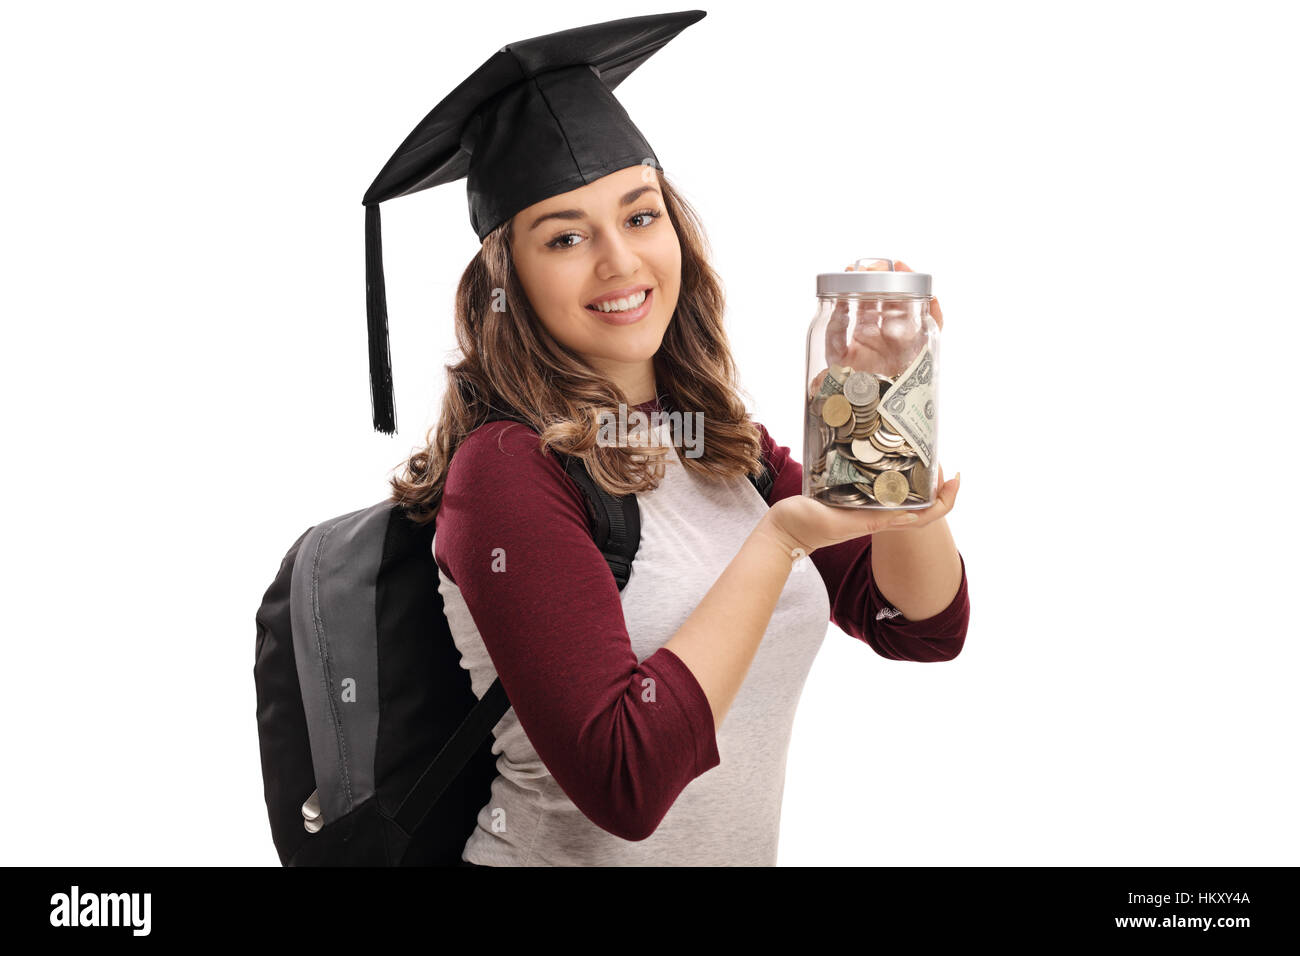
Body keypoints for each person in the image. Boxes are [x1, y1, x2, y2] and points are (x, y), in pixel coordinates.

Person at [373, 12, 969, 866]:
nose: (620, 263)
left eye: (640, 217)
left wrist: (886, 401)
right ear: (509, 278)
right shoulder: (507, 470)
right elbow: (626, 782)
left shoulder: (728, 447)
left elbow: (918, 622)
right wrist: (777, 542)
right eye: (567, 237)